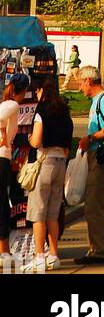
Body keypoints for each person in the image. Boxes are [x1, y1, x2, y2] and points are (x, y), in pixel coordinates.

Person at [22, 77, 74, 273]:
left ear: (41, 91)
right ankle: (53, 255)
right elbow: (68, 144)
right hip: (61, 161)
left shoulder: (41, 110)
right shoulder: (64, 112)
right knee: (53, 212)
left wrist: (29, 138)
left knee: (38, 213)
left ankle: (39, 257)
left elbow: (36, 141)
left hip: (44, 162)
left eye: (37, 92)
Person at [74, 65, 104, 266]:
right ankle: (96, 248)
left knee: (94, 203)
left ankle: (99, 251)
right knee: (93, 203)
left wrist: (91, 137)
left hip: (103, 156)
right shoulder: (97, 101)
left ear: (89, 81)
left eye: (80, 83)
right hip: (95, 153)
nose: (79, 88)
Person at [0, 74, 31, 274]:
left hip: (4, 155)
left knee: (2, 202)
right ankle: (3, 252)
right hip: (2, 156)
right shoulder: (12, 104)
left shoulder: (7, 103)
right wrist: (2, 131)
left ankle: (3, 251)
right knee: (2, 202)